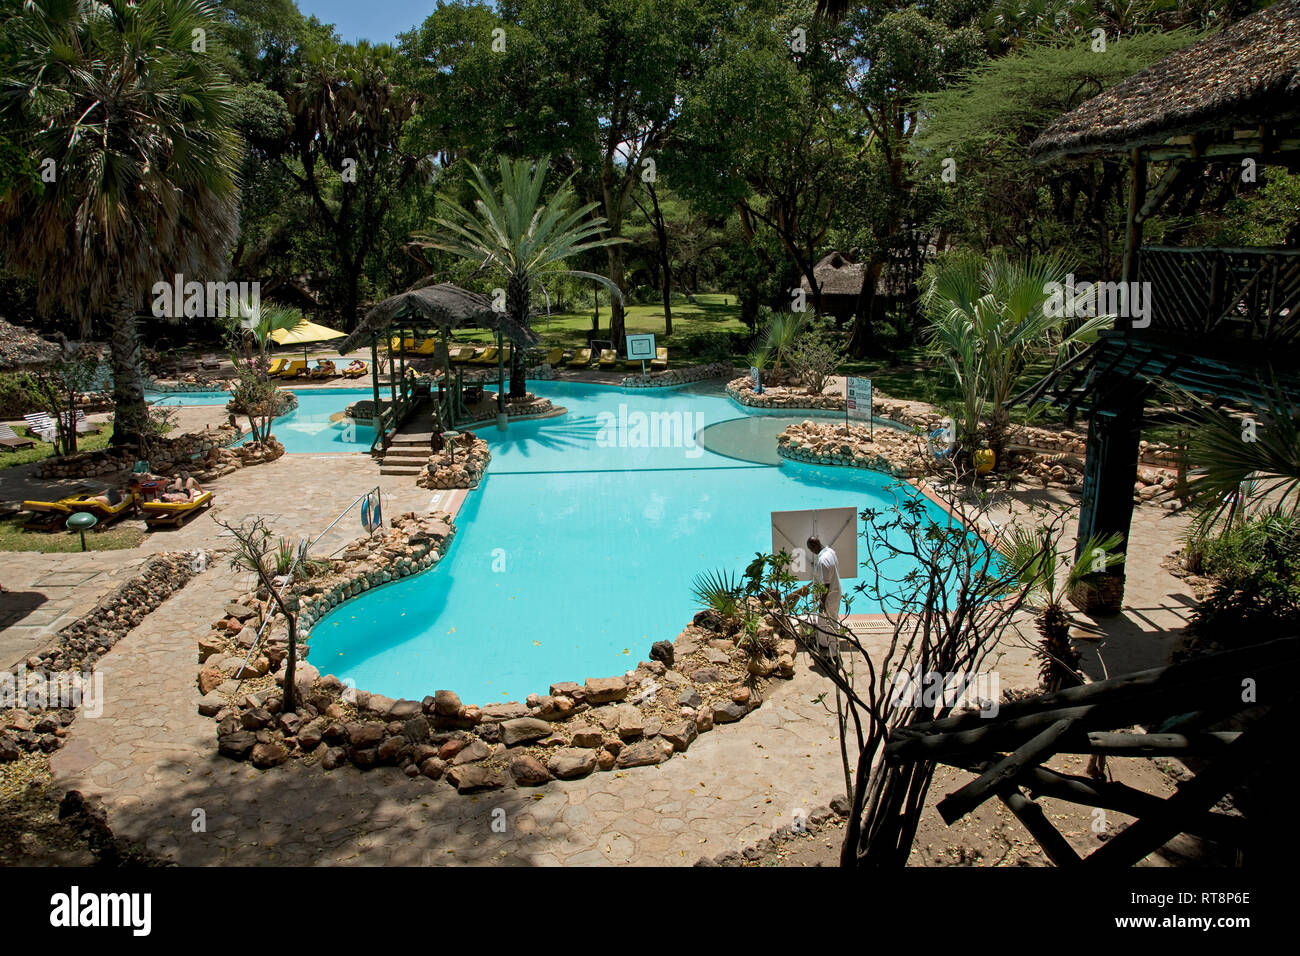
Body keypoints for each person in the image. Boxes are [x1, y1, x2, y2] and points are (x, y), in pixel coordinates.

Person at [806, 535, 843, 658]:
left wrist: (822, 602)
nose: (812, 552)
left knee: (831, 624)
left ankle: (833, 654)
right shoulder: (830, 551)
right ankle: (823, 644)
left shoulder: (823, 561)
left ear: (814, 546)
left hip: (829, 597)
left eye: (811, 549)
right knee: (822, 622)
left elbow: (826, 585)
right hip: (832, 593)